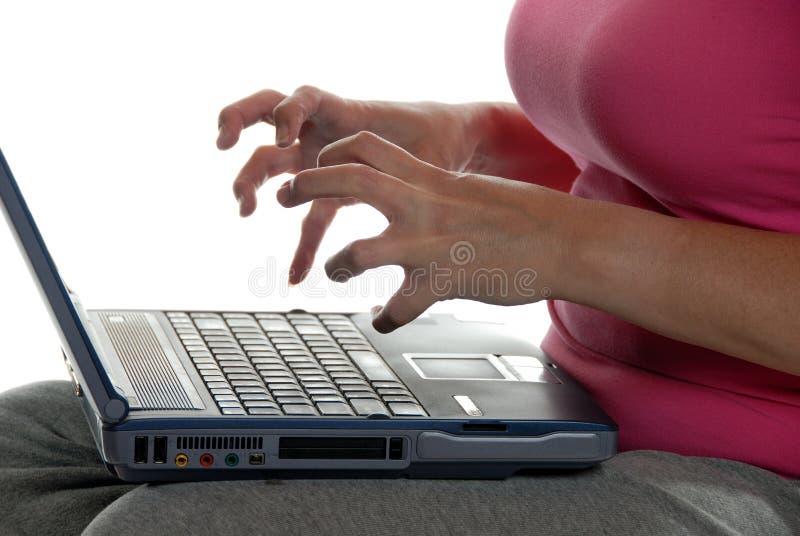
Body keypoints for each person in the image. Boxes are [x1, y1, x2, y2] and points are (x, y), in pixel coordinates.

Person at [1, 1, 798, 534]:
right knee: (23, 451)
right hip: (575, 402)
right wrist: (463, 139)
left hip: (760, 472)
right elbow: (719, 145)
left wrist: (563, 244)